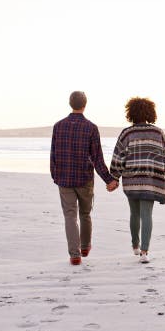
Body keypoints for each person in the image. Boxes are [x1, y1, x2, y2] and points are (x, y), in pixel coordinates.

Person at [50, 91, 119, 265]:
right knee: (85, 213)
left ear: (70, 103)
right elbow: (97, 158)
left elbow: (53, 154)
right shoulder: (91, 128)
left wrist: (55, 175)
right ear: (85, 104)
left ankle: (75, 255)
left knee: (70, 216)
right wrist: (109, 180)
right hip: (84, 179)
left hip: (64, 178)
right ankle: (85, 246)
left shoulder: (58, 126)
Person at [109, 97, 165, 264]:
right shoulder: (158, 133)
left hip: (131, 180)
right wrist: (161, 173)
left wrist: (114, 177)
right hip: (151, 181)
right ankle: (145, 253)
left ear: (131, 113)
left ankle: (135, 246)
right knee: (147, 215)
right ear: (150, 113)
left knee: (134, 213)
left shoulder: (126, 133)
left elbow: (118, 157)